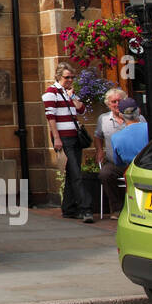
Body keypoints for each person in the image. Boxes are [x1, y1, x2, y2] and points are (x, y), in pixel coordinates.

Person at [44, 61, 92, 223]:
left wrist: (73, 98)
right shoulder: (51, 92)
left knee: (73, 172)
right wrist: (56, 138)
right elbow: (50, 117)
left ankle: (69, 209)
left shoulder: (69, 93)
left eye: (72, 77)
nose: (70, 80)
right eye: (67, 77)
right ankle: (85, 209)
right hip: (63, 138)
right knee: (76, 174)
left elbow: (82, 109)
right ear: (58, 77)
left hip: (75, 137)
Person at [106, 98, 151, 211]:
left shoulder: (116, 137)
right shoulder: (151, 129)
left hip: (132, 173)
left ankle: (118, 209)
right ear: (139, 111)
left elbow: (118, 162)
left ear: (121, 115)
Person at [94, 86, 128, 217]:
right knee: (104, 174)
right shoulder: (103, 119)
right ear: (108, 104)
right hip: (114, 162)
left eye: (120, 101)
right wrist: (99, 150)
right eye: (114, 102)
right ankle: (117, 208)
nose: (117, 104)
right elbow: (97, 136)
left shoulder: (136, 117)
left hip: (133, 162)